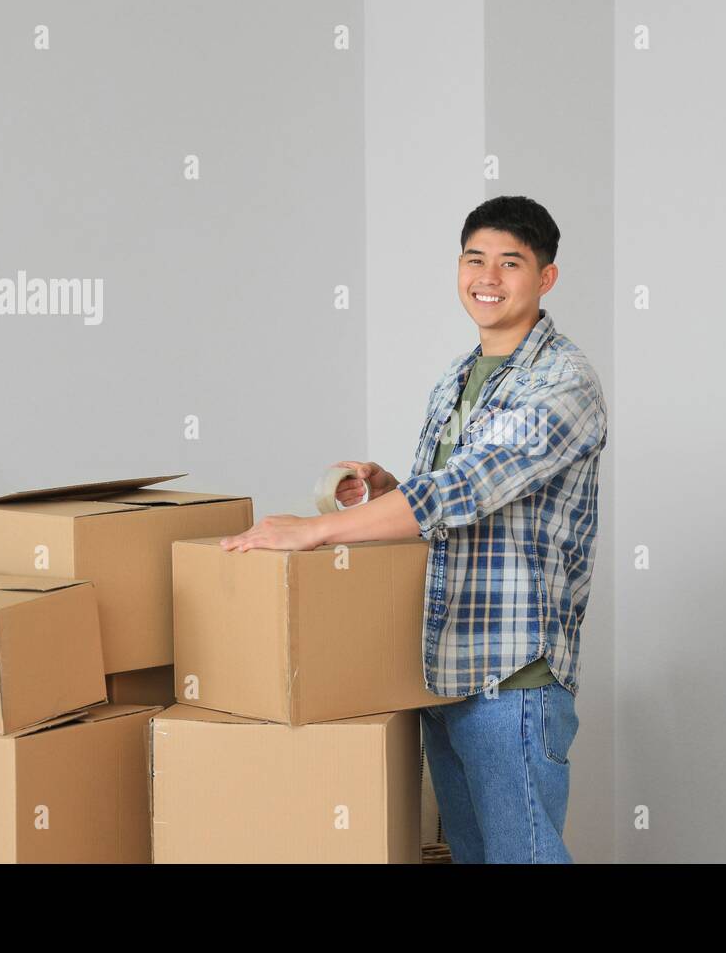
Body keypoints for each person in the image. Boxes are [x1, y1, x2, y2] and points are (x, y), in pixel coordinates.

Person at [221, 195, 608, 863]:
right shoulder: (456, 379)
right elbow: (450, 512)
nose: (487, 276)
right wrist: (388, 490)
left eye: (510, 263)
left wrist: (317, 534)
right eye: (474, 259)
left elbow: (465, 488)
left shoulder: (563, 382)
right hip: (443, 667)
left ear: (545, 278)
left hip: (511, 677)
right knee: (471, 852)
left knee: (524, 856)